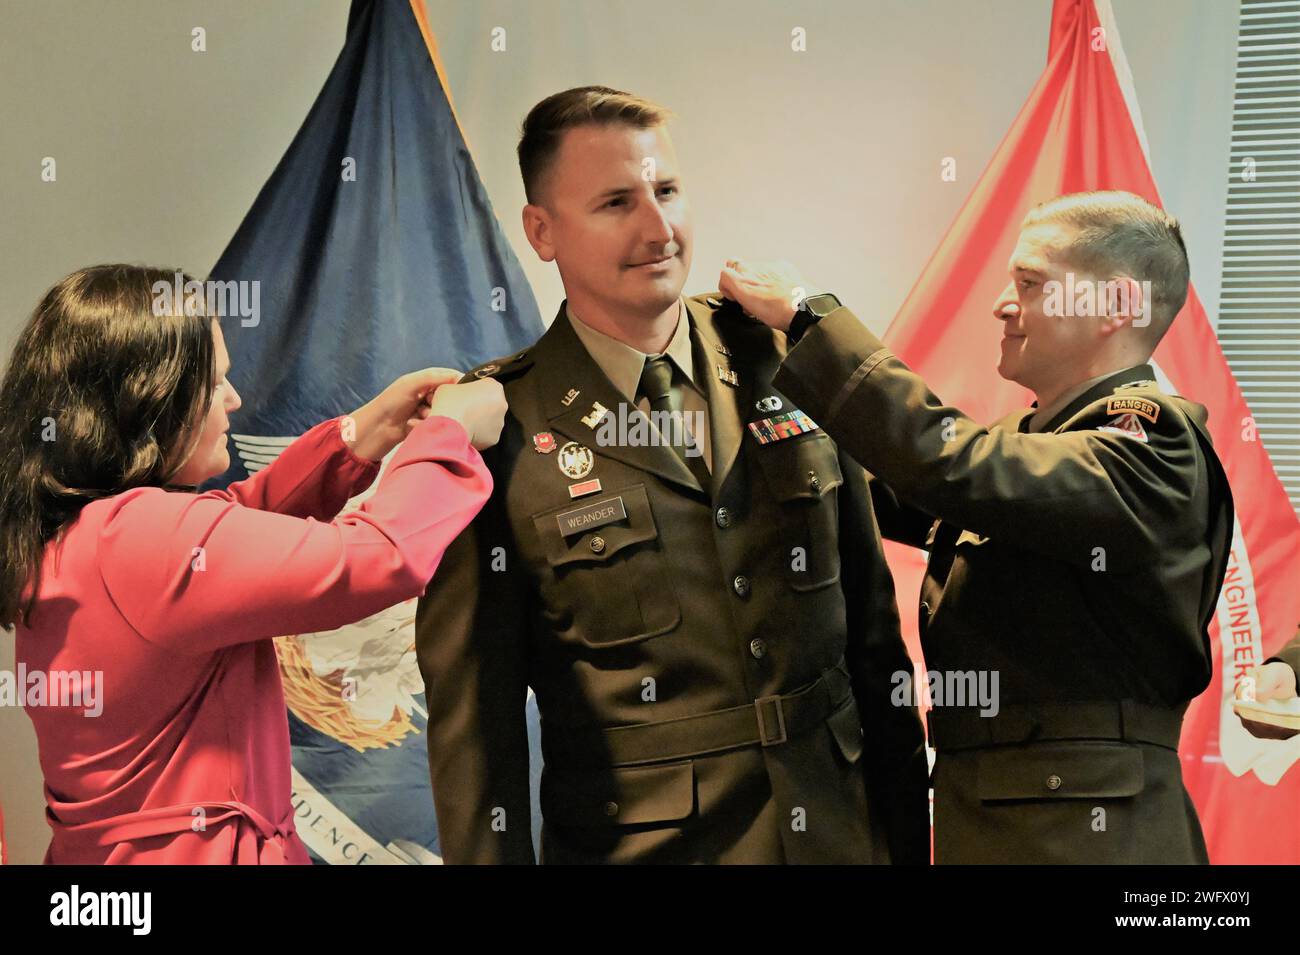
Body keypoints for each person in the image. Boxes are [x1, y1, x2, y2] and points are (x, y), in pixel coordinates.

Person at [415, 87, 927, 864]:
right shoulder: (496, 426)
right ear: (542, 231)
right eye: (617, 202)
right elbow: (474, 735)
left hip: (839, 835)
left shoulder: (789, 358)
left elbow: (874, 638)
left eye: (667, 191)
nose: (658, 228)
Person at [719, 191, 1234, 864]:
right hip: (1007, 817)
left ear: (1116, 306)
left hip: (1090, 833)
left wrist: (810, 319)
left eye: (1031, 283)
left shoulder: (1150, 445)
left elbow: (947, 463)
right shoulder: (1037, 441)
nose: (1002, 301)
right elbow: (882, 488)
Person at [0, 264, 505, 863]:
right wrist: (450, 434)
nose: (234, 399)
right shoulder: (142, 537)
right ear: (151, 397)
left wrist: (365, 432)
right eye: (215, 383)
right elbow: (378, 558)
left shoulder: (78, 533)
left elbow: (236, 520)